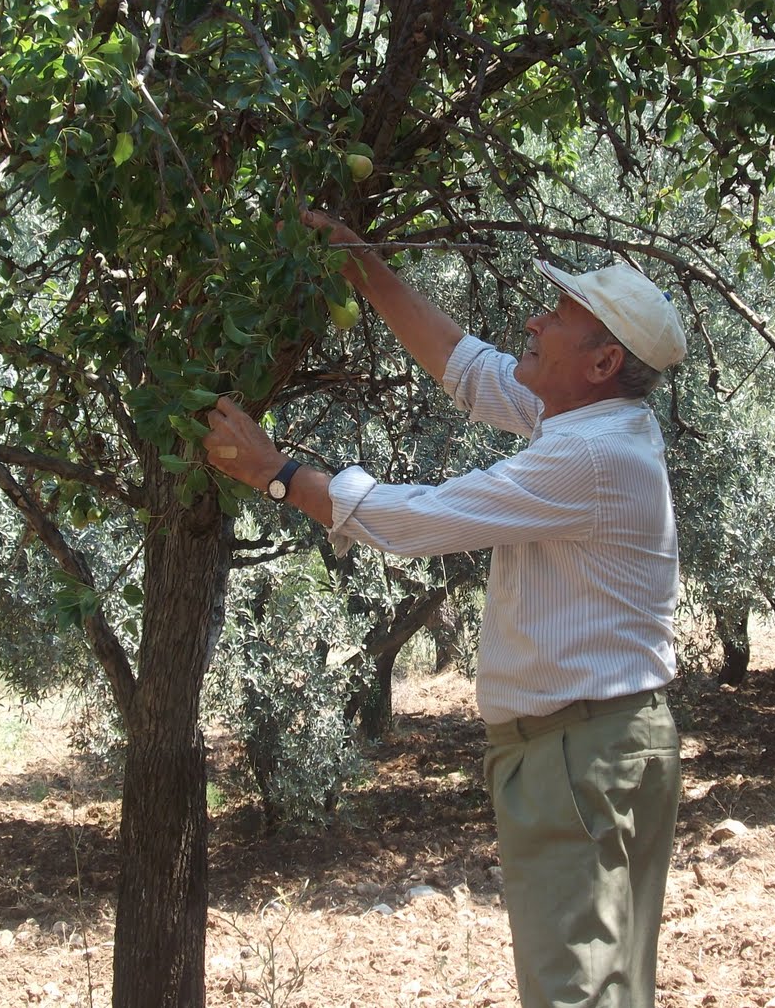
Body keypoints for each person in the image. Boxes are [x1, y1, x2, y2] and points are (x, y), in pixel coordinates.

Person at [202, 210, 686, 1008]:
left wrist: (278, 474)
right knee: (607, 988)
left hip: (578, 755)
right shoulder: (588, 420)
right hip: (597, 744)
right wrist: (363, 266)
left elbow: (419, 519)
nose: (535, 318)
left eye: (559, 316)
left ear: (602, 360)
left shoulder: (588, 453)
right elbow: (467, 367)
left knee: (578, 994)